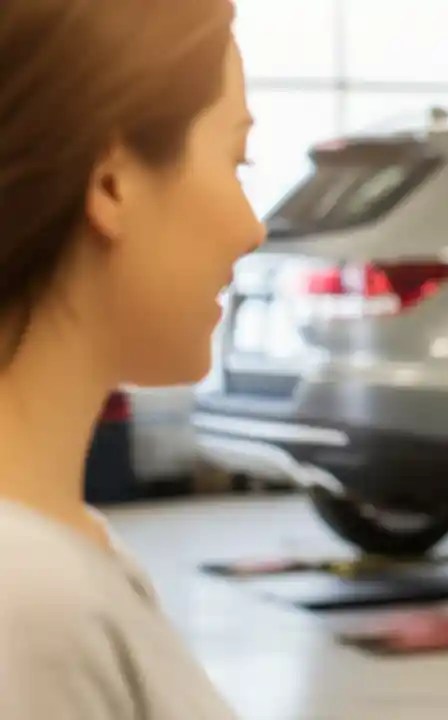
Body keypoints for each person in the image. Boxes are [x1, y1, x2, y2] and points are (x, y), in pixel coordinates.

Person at [0, 0, 263, 717]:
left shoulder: (68, 554)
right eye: (236, 160)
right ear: (112, 181)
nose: (252, 228)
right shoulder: (31, 606)